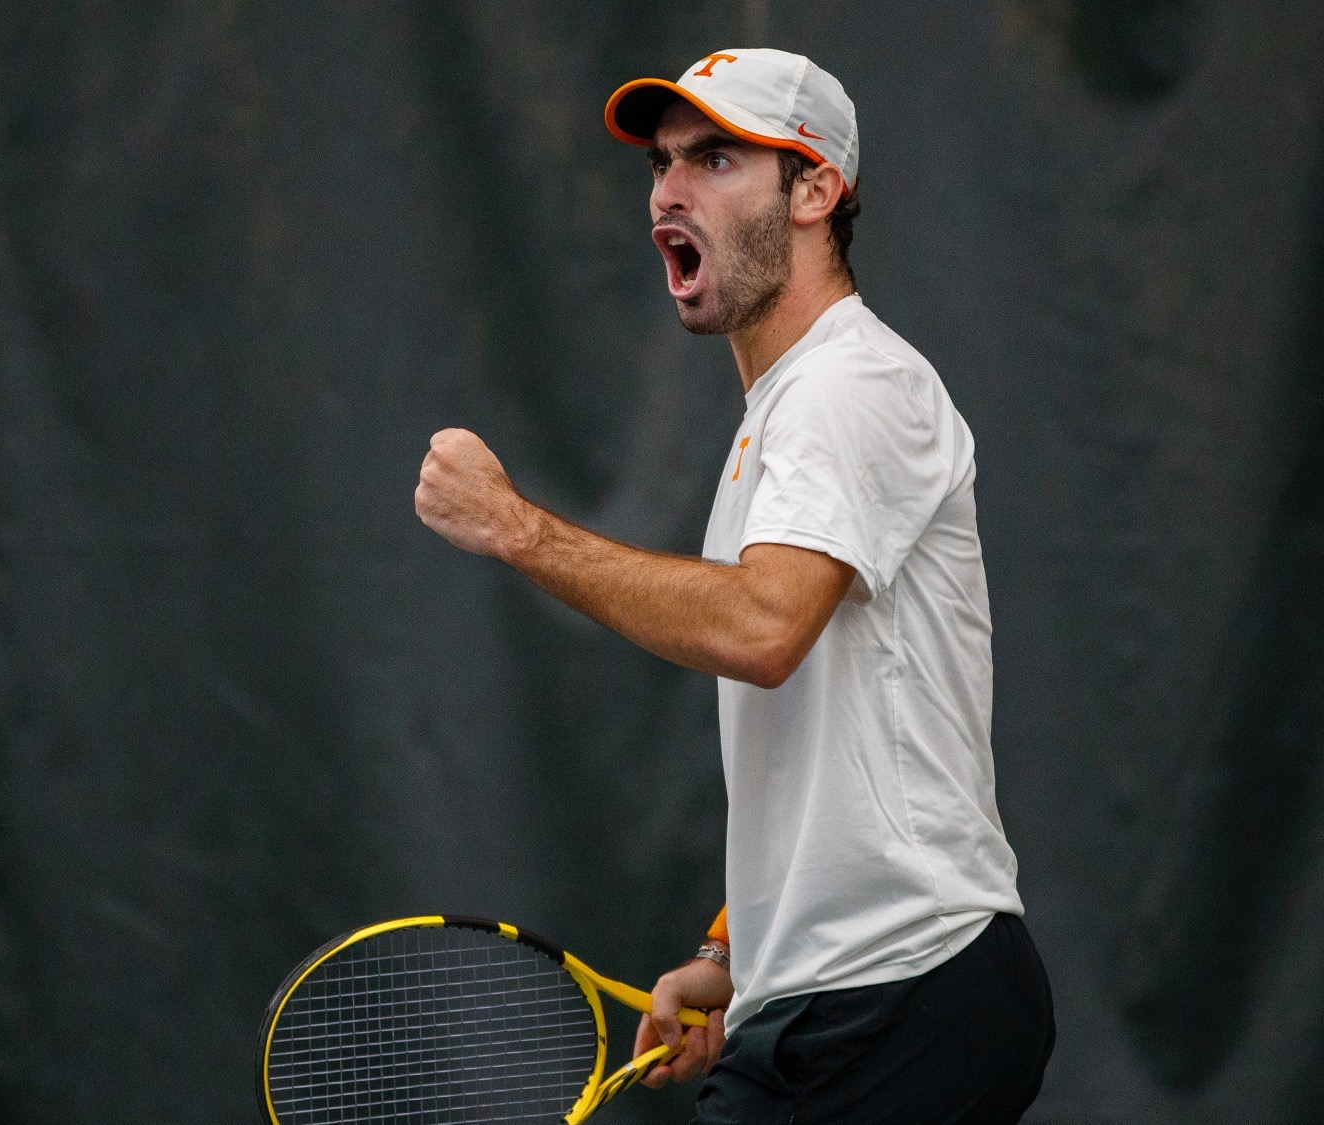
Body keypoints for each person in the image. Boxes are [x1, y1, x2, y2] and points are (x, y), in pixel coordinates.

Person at [412, 49, 1054, 1124]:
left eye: (714, 159)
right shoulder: (787, 410)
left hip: (899, 992)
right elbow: (851, 733)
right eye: (663, 163)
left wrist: (515, 529)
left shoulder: (848, 387)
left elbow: (764, 630)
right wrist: (732, 945)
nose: (668, 189)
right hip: (850, 997)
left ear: (814, 192)